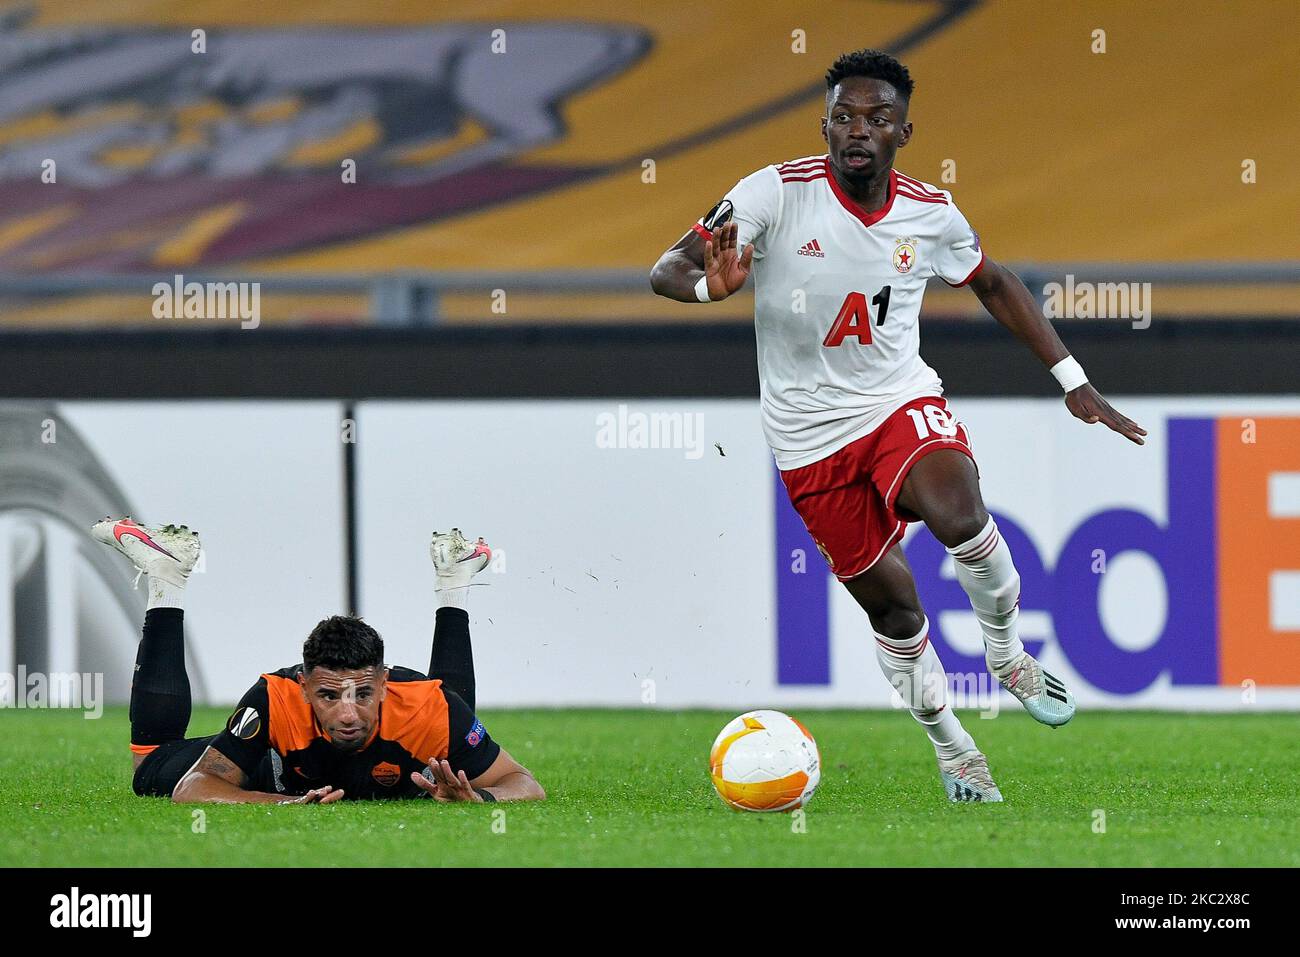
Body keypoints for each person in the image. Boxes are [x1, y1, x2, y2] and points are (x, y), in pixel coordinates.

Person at [650, 49, 1147, 802]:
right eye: (844, 116)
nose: (859, 130)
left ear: (903, 132)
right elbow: (668, 268)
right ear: (823, 125)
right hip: (808, 439)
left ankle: (1008, 653)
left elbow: (994, 281)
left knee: (960, 512)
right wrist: (709, 291)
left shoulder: (931, 212)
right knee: (896, 608)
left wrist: (1073, 383)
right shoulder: (773, 194)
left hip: (896, 403)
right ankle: (956, 750)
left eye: (877, 118)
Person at [94, 517, 544, 804]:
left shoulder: (428, 705)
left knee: (449, 724)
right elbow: (191, 789)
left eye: (364, 694)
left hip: (422, 722)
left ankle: (454, 583)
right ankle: (167, 580)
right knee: (149, 767)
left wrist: (481, 799)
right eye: (328, 695)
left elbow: (526, 785)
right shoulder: (275, 699)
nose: (348, 713)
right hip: (266, 770)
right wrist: (280, 804)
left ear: (386, 684)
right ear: (304, 687)